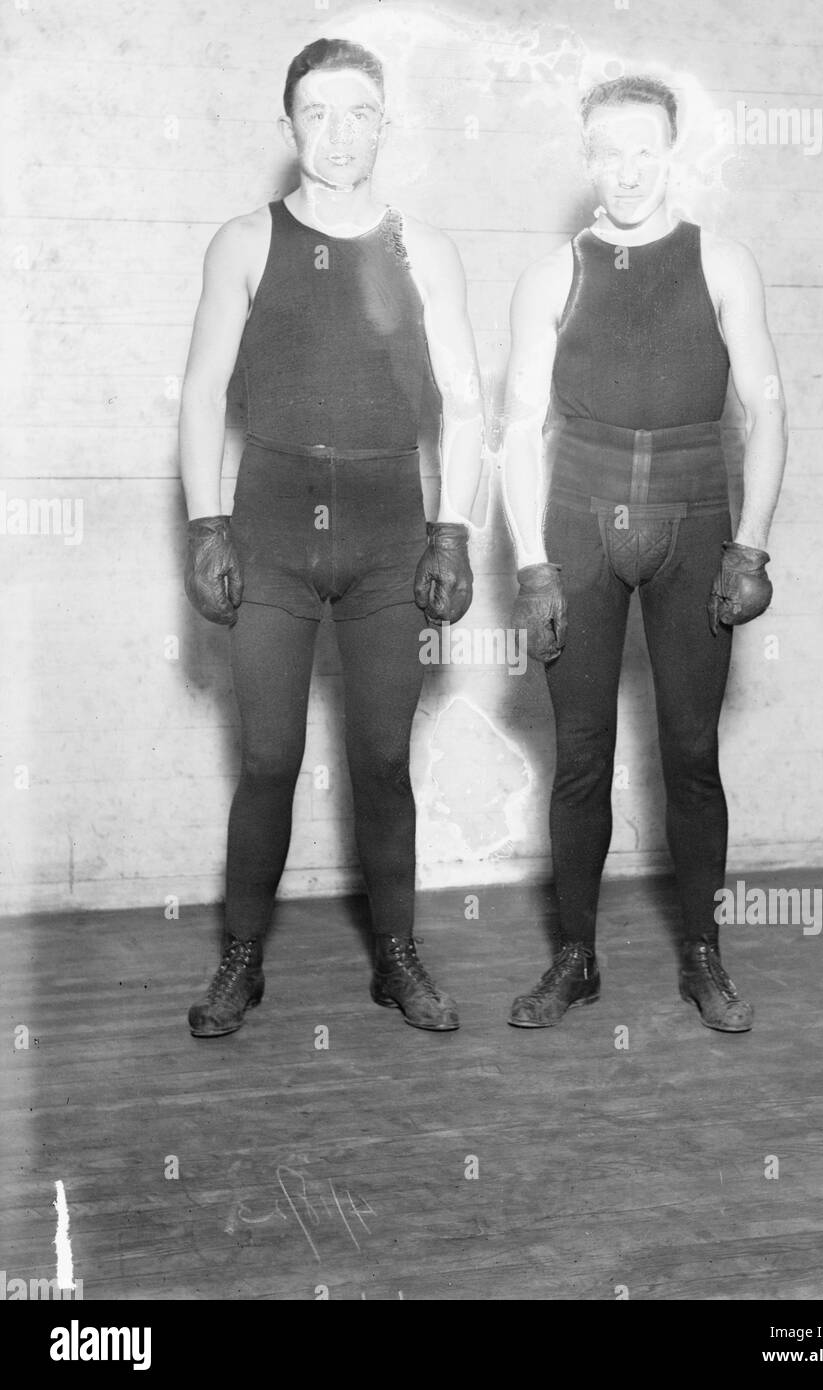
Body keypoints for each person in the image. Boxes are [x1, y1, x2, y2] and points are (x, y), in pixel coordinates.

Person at [180, 38, 484, 1037]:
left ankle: (395, 956)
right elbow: (197, 394)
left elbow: (469, 407)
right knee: (267, 757)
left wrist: (452, 530)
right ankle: (240, 959)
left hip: (388, 530)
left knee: (382, 758)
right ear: (289, 127)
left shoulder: (422, 248)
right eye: (318, 112)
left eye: (358, 112)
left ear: (382, 125)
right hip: (269, 524)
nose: (339, 131)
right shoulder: (244, 241)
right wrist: (206, 520)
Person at [502, 74, 787, 1031]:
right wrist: (529, 561)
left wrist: (751, 547)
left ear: (672, 153)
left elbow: (769, 406)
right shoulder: (553, 275)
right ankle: (575, 959)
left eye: (643, 150)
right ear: (586, 158)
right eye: (607, 151)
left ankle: (704, 958)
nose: (625, 171)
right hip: (578, 519)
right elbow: (511, 429)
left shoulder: (721, 263)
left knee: (691, 753)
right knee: (580, 757)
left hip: (695, 514)